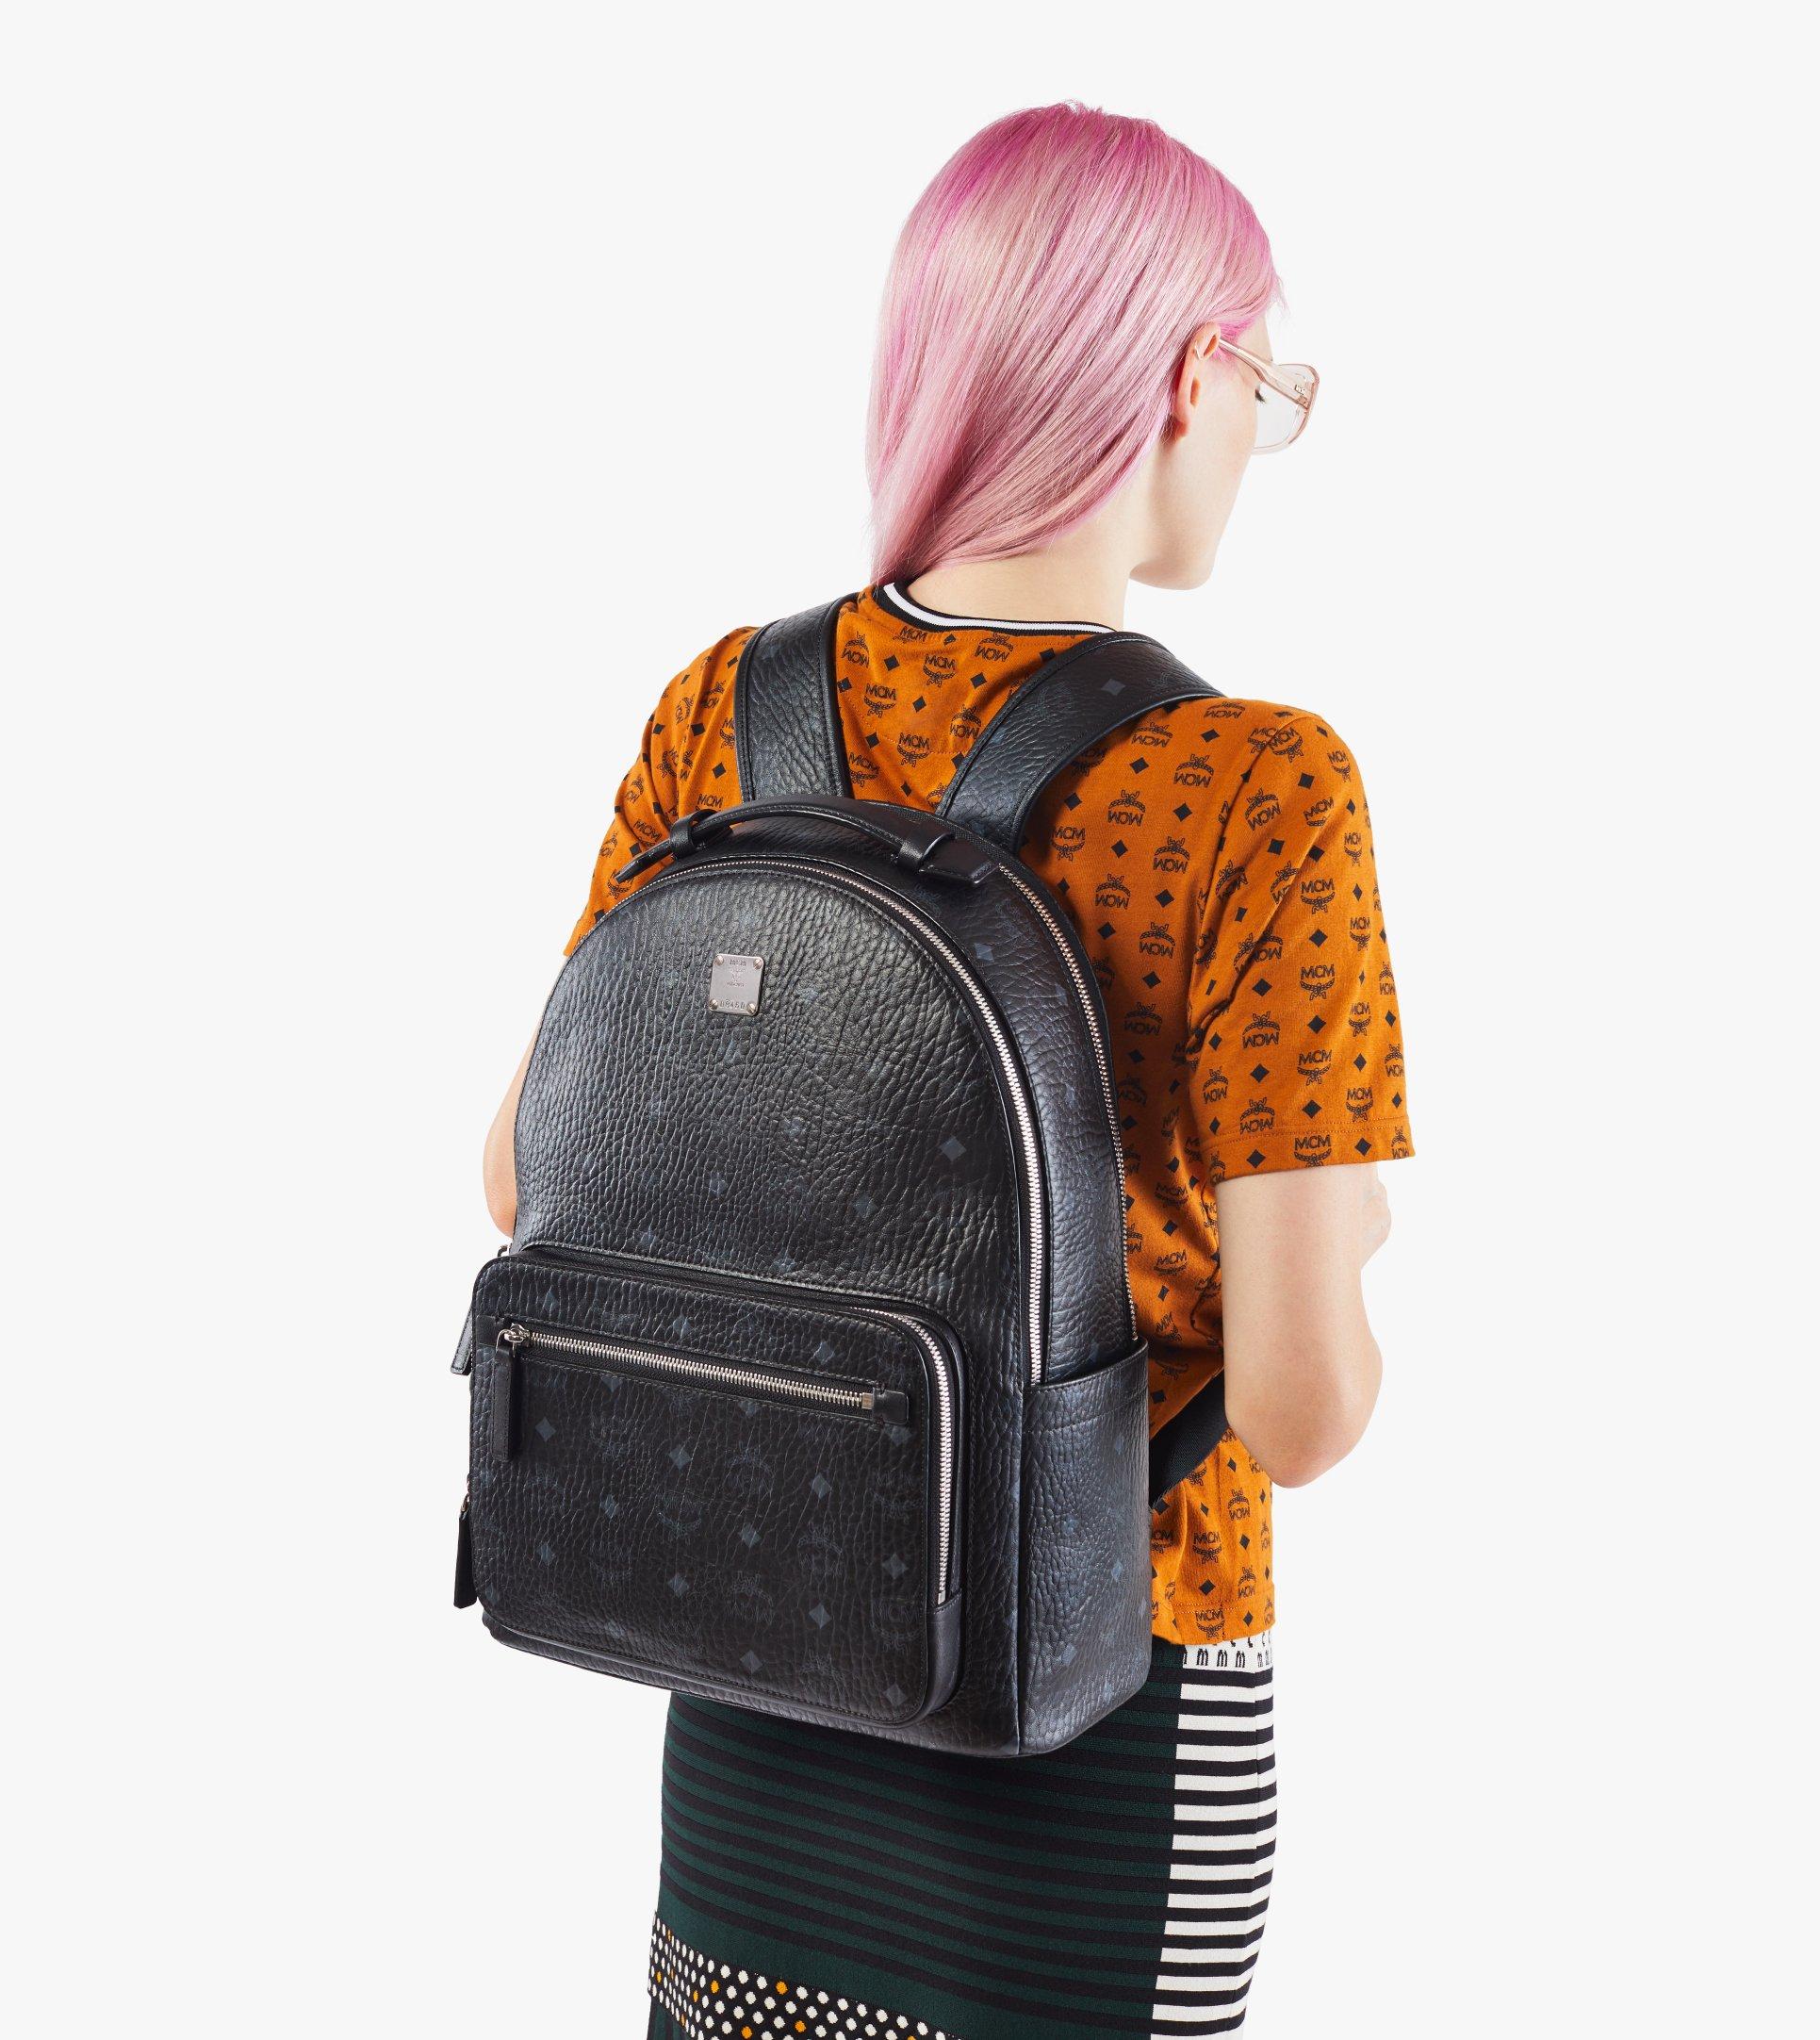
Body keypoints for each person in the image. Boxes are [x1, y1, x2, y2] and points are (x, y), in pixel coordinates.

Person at [484, 102, 1412, 2040]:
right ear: (1187, 378)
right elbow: (1302, 1409)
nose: (1252, 432)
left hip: (749, 1625)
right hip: (1110, 1686)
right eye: (1266, 386)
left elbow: (520, 1177)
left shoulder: (728, 707)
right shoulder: (1258, 784)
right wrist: (1335, 1242)